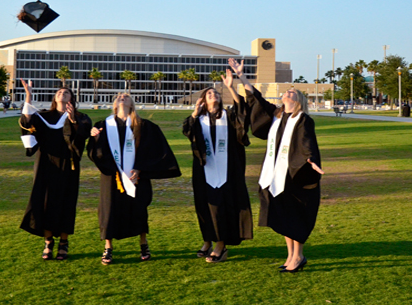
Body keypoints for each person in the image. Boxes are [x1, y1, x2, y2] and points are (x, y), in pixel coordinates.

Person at [231, 58, 324, 272]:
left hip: (294, 175)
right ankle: (290, 255)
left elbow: (307, 141)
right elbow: (255, 97)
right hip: (275, 176)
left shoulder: (302, 119)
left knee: (295, 216)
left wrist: (310, 159)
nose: (288, 93)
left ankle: (298, 256)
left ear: (299, 100)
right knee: (285, 217)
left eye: (293, 92)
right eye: (286, 92)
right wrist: (241, 75)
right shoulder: (276, 115)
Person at [87, 93, 180, 265]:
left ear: (132, 104)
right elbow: (97, 153)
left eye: (127, 96)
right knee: (109, 210)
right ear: (114, 103)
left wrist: (140, 168)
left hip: (137, 177)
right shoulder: (103, 126)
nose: (123, 97)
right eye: (119, 96)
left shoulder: (144, 126)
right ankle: (108, 248)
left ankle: (143, 244)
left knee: (138, 210)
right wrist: (97, 139)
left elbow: (154, 150)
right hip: (111, 177)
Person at [180, 64, 253, 263]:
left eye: (216, 93)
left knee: (223, 205)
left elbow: (242, 112)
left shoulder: (228, 117)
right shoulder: (198, 119)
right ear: (203, 100)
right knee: (205, 205)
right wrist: (195, 113)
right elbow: (187, 130)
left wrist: (230, 87)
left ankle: (221, 244)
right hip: (203, 170)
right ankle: (208, 240)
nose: (213, 95)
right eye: (209, 93)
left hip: (227, 170)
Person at [17, 80, 92, 260]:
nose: (62, 93)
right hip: (46, 163)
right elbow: (27, 123)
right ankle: (48, 242)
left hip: (68, 164)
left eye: (66, 92)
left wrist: (73, 121)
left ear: (72, 98)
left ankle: (64, 243)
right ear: (54, 97)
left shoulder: (81, 117)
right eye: (59, 92)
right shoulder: (44, 116)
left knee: (66, 202)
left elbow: (83, 135)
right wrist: (29, 96)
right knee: (44, 201)